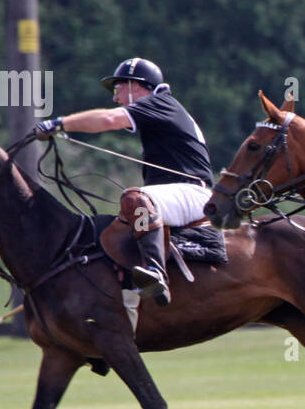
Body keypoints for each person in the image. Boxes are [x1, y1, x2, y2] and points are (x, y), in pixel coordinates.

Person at [35, 57, 213, 305]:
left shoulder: (160, 102)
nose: (115, 98)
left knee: (135, 198)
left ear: (136, 86)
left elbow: (109, 119)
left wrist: (59, 123)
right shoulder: (159, 109)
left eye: (118, 89)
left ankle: (155, 272)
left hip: (193, 194)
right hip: (178, 195)